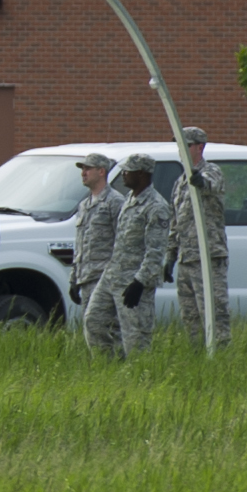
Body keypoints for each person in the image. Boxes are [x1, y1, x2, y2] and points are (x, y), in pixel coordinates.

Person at [83, 152, 169, 361]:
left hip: (134, 280)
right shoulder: (129, 200)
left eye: (127, 171)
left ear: (141, 174)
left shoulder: (156, 206)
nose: (123, 174)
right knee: (93, 320)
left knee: (135, 336)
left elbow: (156, 251)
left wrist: (139, 282)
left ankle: (138, 377)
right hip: (113, 274)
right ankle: (109, 366)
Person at [168, 127, 232, 349]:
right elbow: (176, 222)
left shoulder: (210, 171)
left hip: (208, 256)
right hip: (187, 259)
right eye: (179, 144)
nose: (180, 149)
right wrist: (170, 257)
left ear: (199, 147)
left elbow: (210, 185)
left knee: (214, 315)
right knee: (191, 317)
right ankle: (198, 359)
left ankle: (221, 359)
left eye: (185, 145)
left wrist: (200, 182)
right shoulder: (180, 181)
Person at [68, 152, 119, 313]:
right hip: (86, 279)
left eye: (88, 168)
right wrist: (74, 279)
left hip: (105, 279)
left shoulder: (115, 202)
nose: (83, 173)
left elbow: (123, 242)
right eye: (82, 169)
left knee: (104, 328)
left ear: (101, 171)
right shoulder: (84, 205)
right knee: (90, 330)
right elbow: (80, 245)